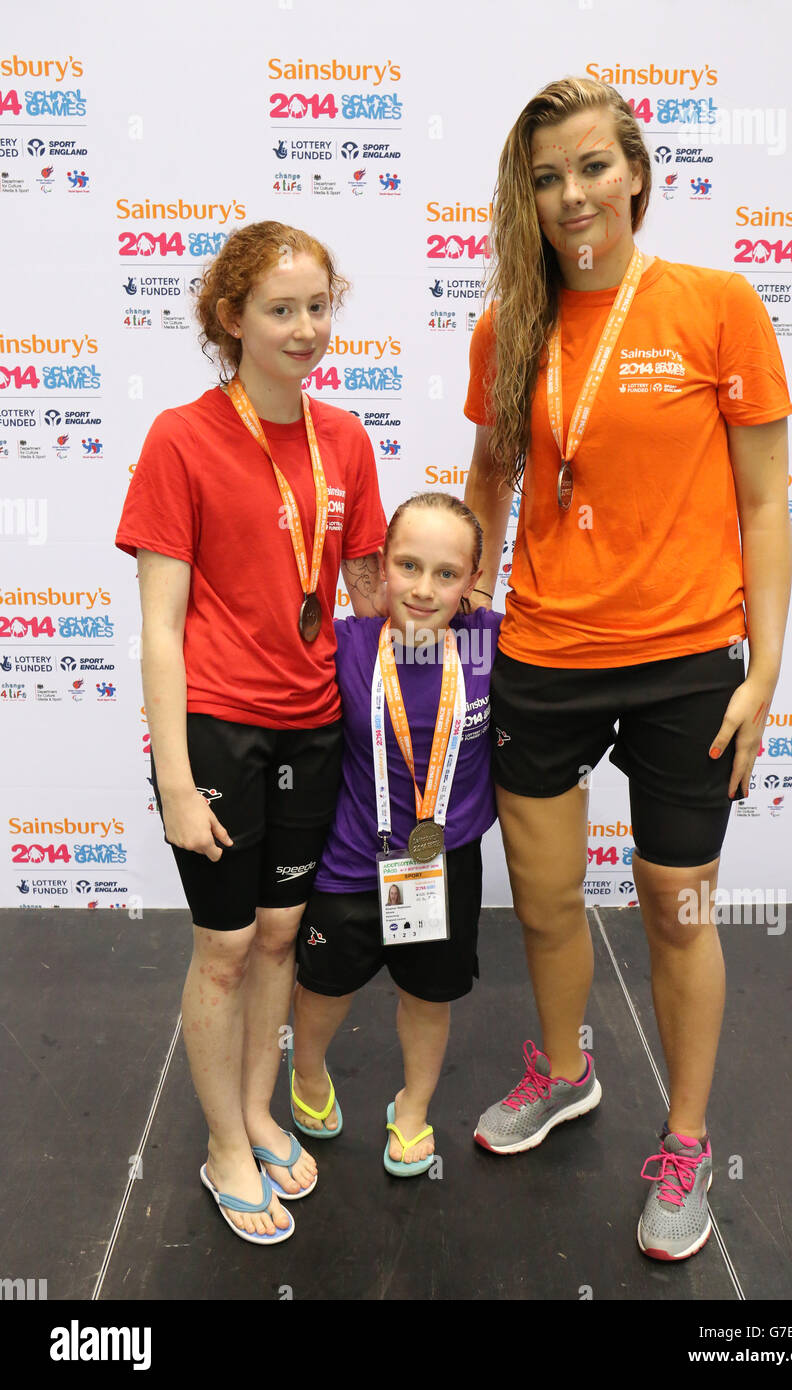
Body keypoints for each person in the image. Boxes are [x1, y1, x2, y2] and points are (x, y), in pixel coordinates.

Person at [462, 77, 792, 1260]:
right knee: (548, 905)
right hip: (545, 653)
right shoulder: (511, 324)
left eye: (593, 168)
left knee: (676, 908)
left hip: (688, 665)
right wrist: (457, 621)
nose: (572, 196)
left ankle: (688, 1139)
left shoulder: (717, 305)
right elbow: (492, 485)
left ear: (640, 174)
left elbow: (764, 503)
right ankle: (565, 1072)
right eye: (547, 177)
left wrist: (762, 674)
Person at [115, 221, 387, 1244]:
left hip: (314, 728)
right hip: (221, 731)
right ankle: (223, 1140)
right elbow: (157, 626)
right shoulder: (182, 438)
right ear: (231, 319)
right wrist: (177, 781)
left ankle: (260, 1111)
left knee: (280, 932)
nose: (307, 328)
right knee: (225, 942)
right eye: (282, 309)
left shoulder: (347, 442)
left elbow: (364, 603)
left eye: (319, 306)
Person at [291, 493, 502, 1174]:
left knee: (428, 995)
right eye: (408, 565)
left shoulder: (492, 642)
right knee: (323, 990)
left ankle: (412, 1107)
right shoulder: (347, 644)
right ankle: (307, 1075)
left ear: (471, 582)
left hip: (441, 864)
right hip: (350, 861)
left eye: (446, 573)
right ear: (381, 566)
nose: (422, 588)